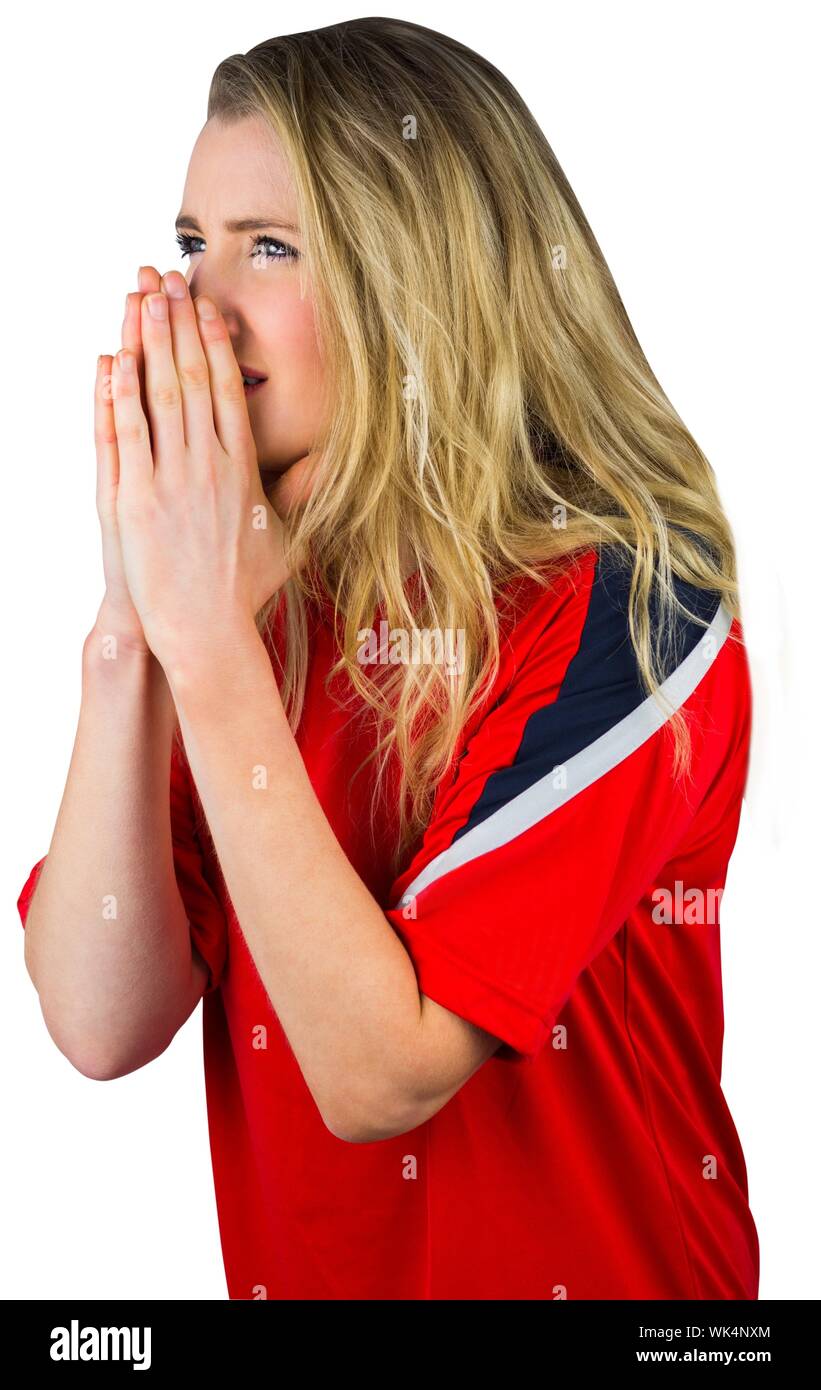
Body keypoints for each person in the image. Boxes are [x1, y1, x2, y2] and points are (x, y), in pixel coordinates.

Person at [15, 17, 759, 1300]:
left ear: (416, 279)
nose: (198, 302)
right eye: (194, 242)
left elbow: (382, 1073)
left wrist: (203, 642)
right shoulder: (243, 600)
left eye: (269, 248)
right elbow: (99, 1015)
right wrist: (131, 620)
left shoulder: (634, 603)